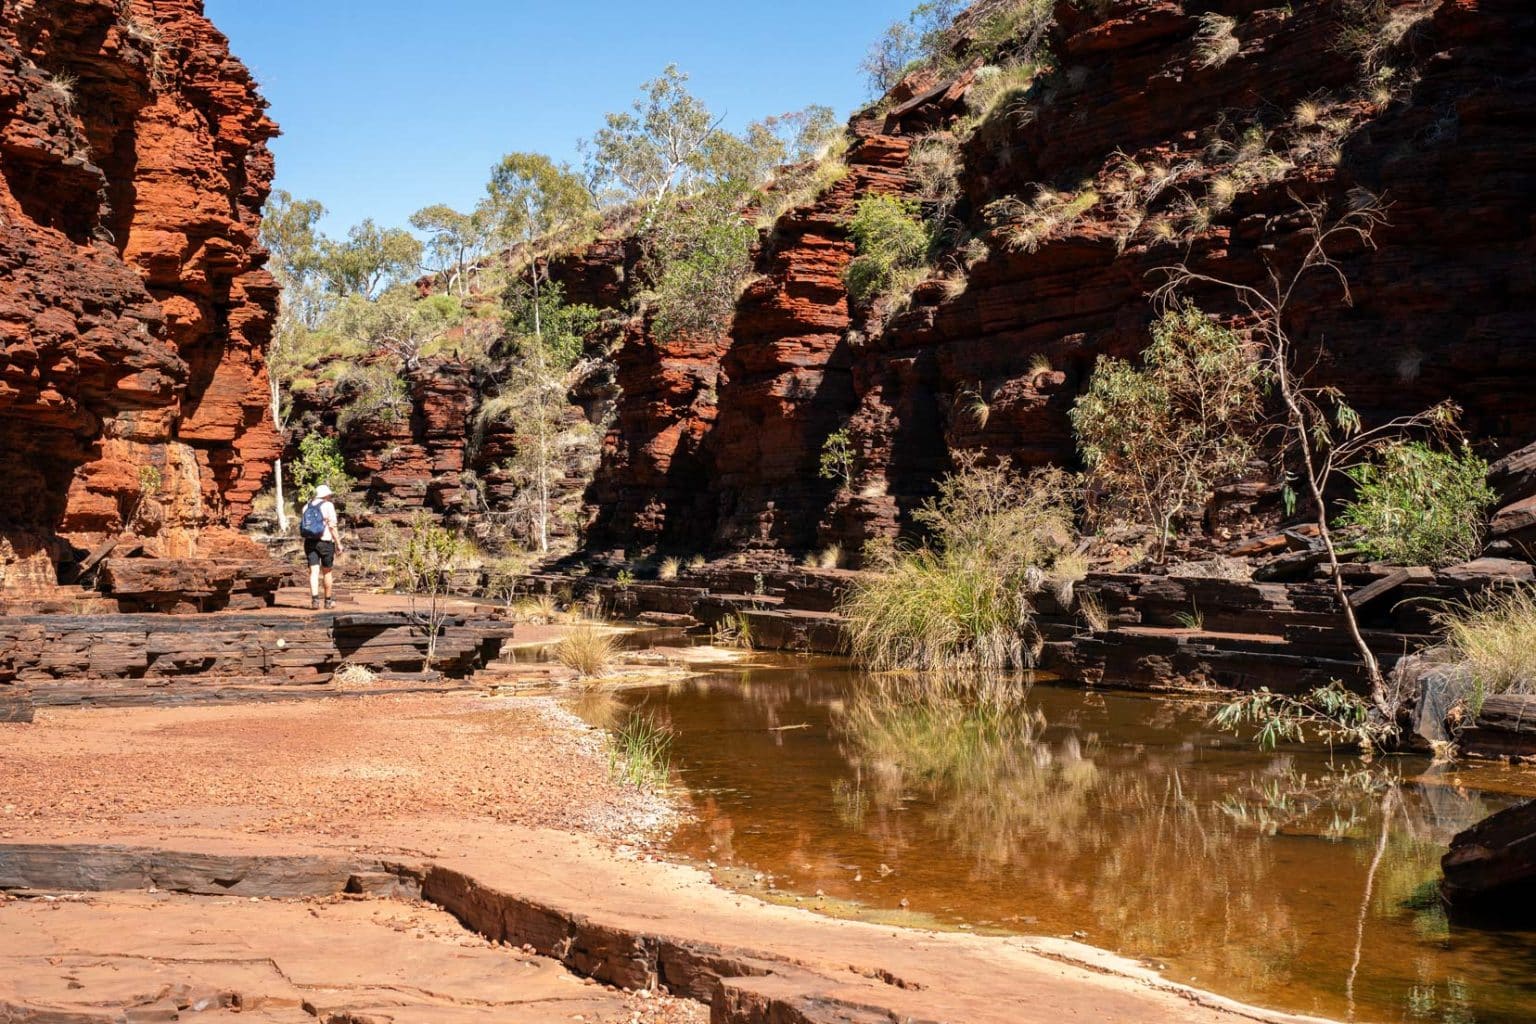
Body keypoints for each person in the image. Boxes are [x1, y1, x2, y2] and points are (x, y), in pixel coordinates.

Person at [299, 484, 342, 610]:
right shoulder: (328, 505)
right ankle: (328, 602)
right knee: (327, 572)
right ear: (326, 495)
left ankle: (315, 601)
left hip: (310, 542)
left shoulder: (306, 506)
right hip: (325, 542)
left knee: (313, 572)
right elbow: (332, 526)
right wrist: (338, 543)